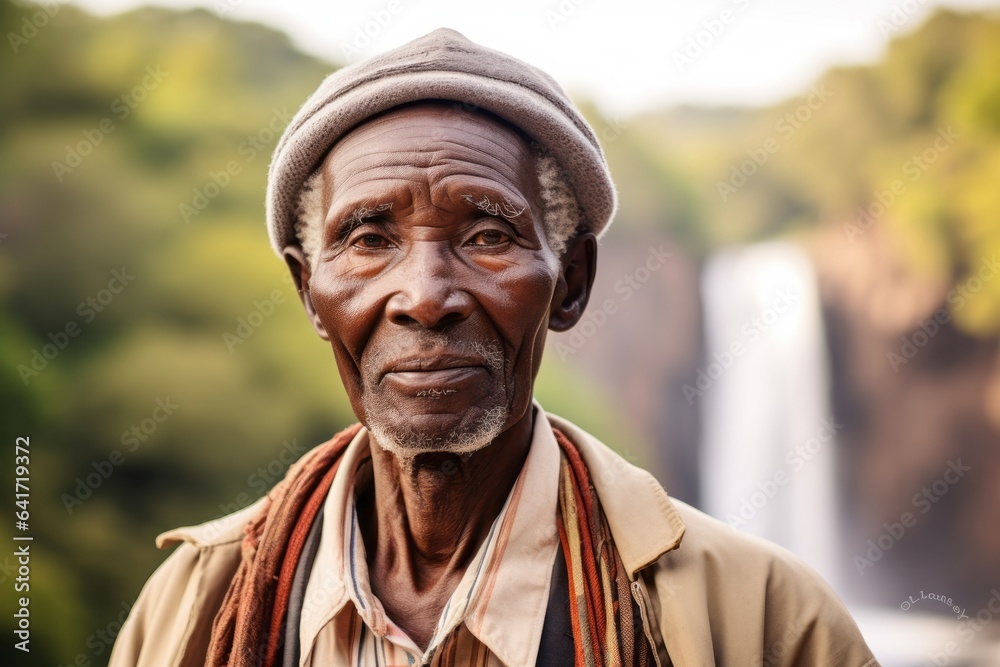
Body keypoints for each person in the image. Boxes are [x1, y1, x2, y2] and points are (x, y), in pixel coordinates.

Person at [110, 28, 879, 667]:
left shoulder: (767, 624)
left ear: (571, 282)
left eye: (488, 235)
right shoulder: (189, 606)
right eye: (370, 238)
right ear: (310, 292)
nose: (424, 295)